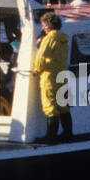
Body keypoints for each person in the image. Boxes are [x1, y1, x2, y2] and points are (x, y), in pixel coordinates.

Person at [34, 12, 72, 142]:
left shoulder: (49, 39)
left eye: (44, 25)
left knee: (50, 107)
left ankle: (50, 136)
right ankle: (67, 133)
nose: (43, 27)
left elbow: (42, 57)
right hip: (61, 76)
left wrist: (36, 69)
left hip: (49, 77)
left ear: (48, 25)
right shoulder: (63, 38)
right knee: (63, 106)